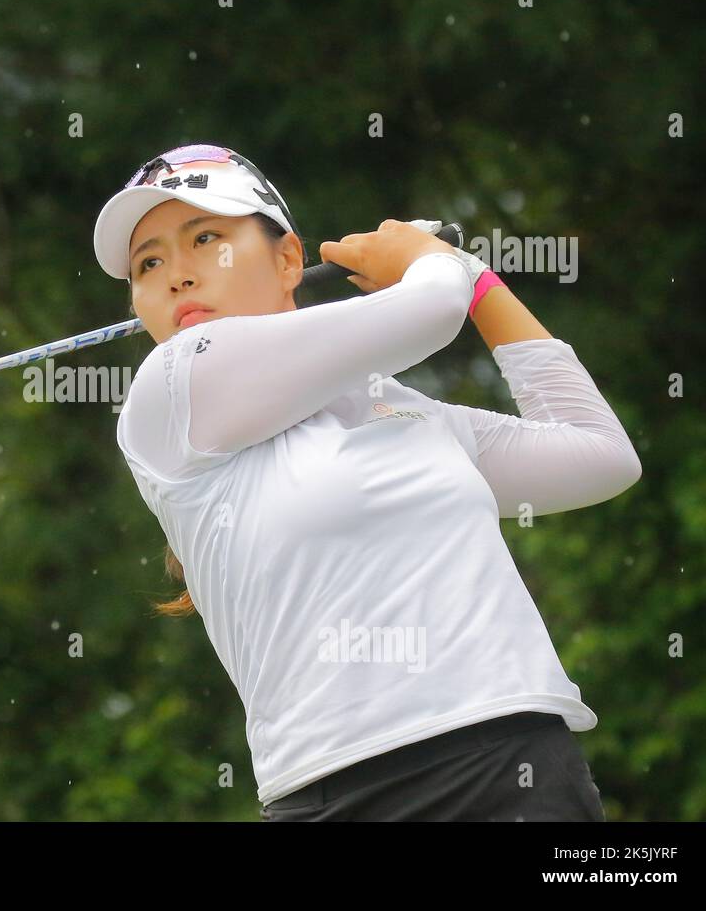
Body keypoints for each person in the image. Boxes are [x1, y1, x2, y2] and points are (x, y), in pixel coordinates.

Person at [92, 143, 641, 821]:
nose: (176, 275)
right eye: (149, 263)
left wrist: (480, 284)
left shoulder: (405, 411)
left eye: (206, 239)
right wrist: (430, 264)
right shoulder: (171, 387)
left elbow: (599, 455)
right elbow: (431, 309)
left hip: (517, 767)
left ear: (289, 259)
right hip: (335, 795)